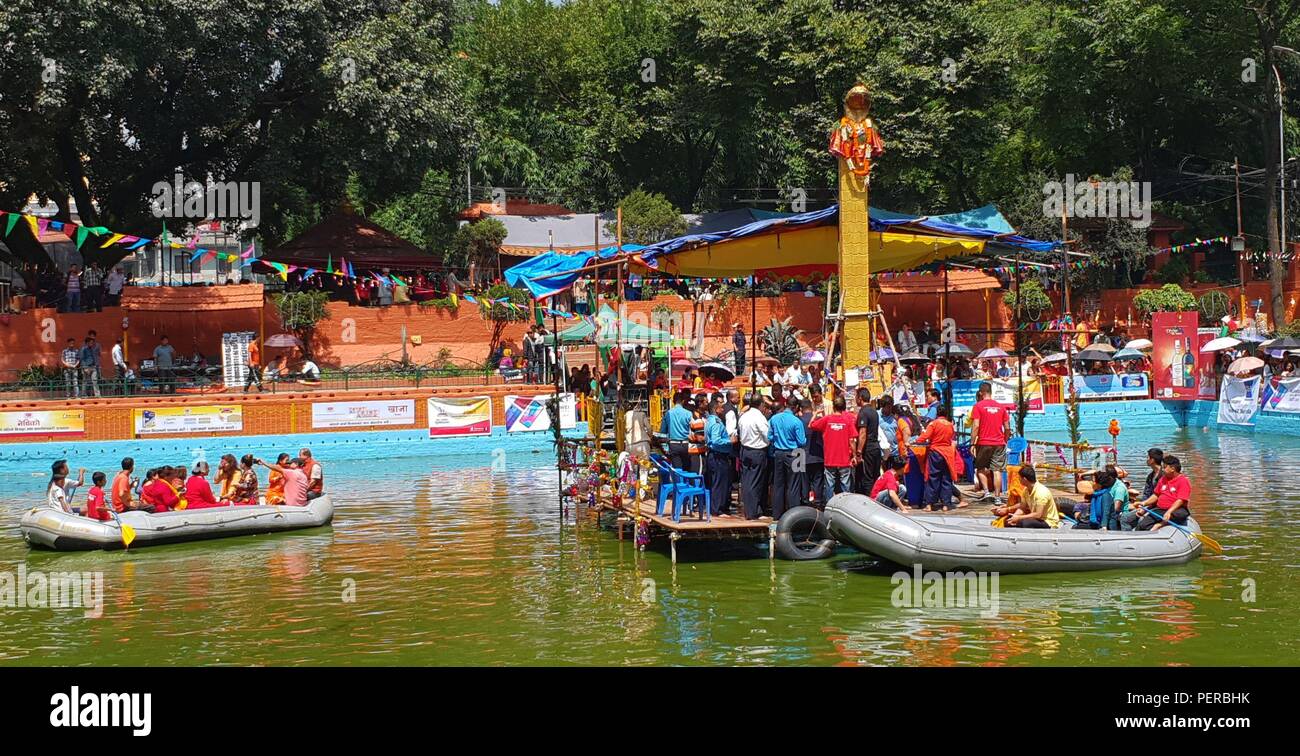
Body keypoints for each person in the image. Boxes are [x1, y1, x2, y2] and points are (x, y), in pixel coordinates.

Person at [768, 395, 808, 520]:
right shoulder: (797, 421)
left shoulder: (774, 419)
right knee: (794, 485)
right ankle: (793, 514)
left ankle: (777, 514)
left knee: (778, 484)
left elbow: (769, 437)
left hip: (778, 453)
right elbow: (802, 441)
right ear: (796, 407)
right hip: (795, 453)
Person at [915, 406, 962, 512]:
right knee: (946, 479)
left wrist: (915, 441)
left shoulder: (934, 424)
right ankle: (946, 505)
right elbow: (951, 439)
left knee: (932, 478)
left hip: (936, 453)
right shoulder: (950, 425)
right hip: (948, 454)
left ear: (937, 413)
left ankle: (929, 505)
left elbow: (925, 436)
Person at [811, 395, 856, 502]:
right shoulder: (847, 421)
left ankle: (829, 507)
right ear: (844, 407)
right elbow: (852, 440)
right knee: (845, 486)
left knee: (829, 487)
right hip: (844, 460)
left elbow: (811, 425)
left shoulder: (827, 419)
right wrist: (854, 455)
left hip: (829, 459)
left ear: (833, 407)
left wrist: (816, 414)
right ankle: (846, 506)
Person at [970, 382, 1010, 501]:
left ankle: (987, 492)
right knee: (997, 470)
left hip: (983, 442)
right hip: (999, 442)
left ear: (981, 393)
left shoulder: (978, 406)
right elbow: (1007, 427)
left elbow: (976, 426)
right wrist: (1005, 440)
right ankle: (997, 497)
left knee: (980, 468)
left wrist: (972, 443)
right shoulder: (1001, 407)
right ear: (991, 392)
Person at [1133, 455, 1191, 531]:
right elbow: (1156, 494)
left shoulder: (1183, 481)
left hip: (1176, 510)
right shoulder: (1163, 479)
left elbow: (1181, 500)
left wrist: (1169, 512)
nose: (1162, 469)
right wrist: (1144, 503)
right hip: (1160, 509)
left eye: (1164, 467)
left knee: (1179, 514)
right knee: (1142, 525)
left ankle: (1161, 524)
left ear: (1172, 469)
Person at [738, 392, 771, 519]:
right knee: (755, 482)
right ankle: (753, 512)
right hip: (757, 451)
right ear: (761, 405)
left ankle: (750, 510)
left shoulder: (743, 416)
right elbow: (767, 436)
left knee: (747, 481)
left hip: (745, 450)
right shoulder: (759, 418)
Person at [704, 398, 735, 515]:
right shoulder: (716, 422)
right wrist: (729, 441)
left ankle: (716, 508)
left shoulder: (709, 420)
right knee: (718, 483)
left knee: (716, 482)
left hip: (714, 456)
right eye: (721, 406)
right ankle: (717, 510)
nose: (723, 408)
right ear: (716, 409)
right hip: (718, 456)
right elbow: (716, 441)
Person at [854, 388, 882, 495]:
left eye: (856, 397)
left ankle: (869, 502)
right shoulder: (874, 411)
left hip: (868, 449)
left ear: (860, 398)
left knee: (867, 478)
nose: (855, 399)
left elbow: (862, 434)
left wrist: (859, 452)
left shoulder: (863, 412)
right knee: (875, 476)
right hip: (875, 447)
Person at [660, 390, 694, 472]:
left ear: (673, 401)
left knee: (677, 470)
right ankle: (687, 483)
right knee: (687, 469)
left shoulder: (668, 413)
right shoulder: (688, 413)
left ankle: (679, 484)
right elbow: (692, 429)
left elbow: (663, 431)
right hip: (686, 444)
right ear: (683, 401)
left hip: (673, 445)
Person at [80, 332, 102, 398]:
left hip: (93, 366)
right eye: (90, 342)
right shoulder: (83, 349)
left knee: (95, 381)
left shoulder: (92, 349)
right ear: (87, 342)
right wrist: (85, 367)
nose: (92, 344)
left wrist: (95, 364)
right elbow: (82, 358)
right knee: (85, 381)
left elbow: (94, 357)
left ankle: (97, 395)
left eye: (92, 342)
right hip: (86, 367)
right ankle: (84, 395)